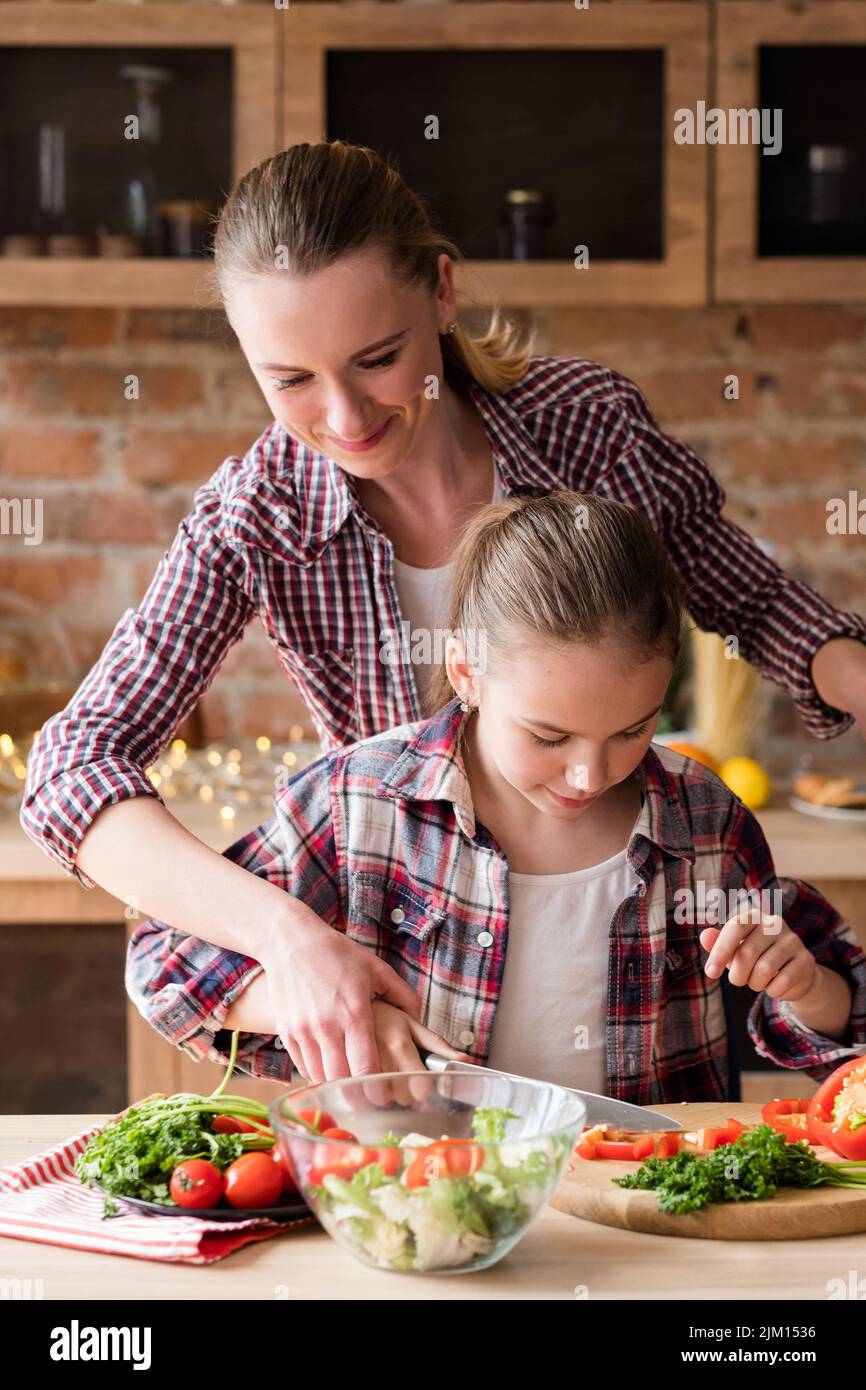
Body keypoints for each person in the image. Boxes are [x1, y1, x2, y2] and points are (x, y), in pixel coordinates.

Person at [21, 139, 866, 1079]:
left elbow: (753, 597)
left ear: (443, 294)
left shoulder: (583, 425)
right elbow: (72, 770)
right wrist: (291, 944)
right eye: (289, 380)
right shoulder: (255, 513)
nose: (344, 419)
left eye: (377, 359)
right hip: (419, 980)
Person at [126, 492, 866, 1098]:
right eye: (548, 737)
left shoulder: (705, 819)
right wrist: (315, 999)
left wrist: (804, 987)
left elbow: (843, 1014)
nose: (588, 774)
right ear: (465, 672)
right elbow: (163, 961)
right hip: (420, 1205)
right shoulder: (363, 803)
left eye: (632, 730)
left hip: (649, 1222)